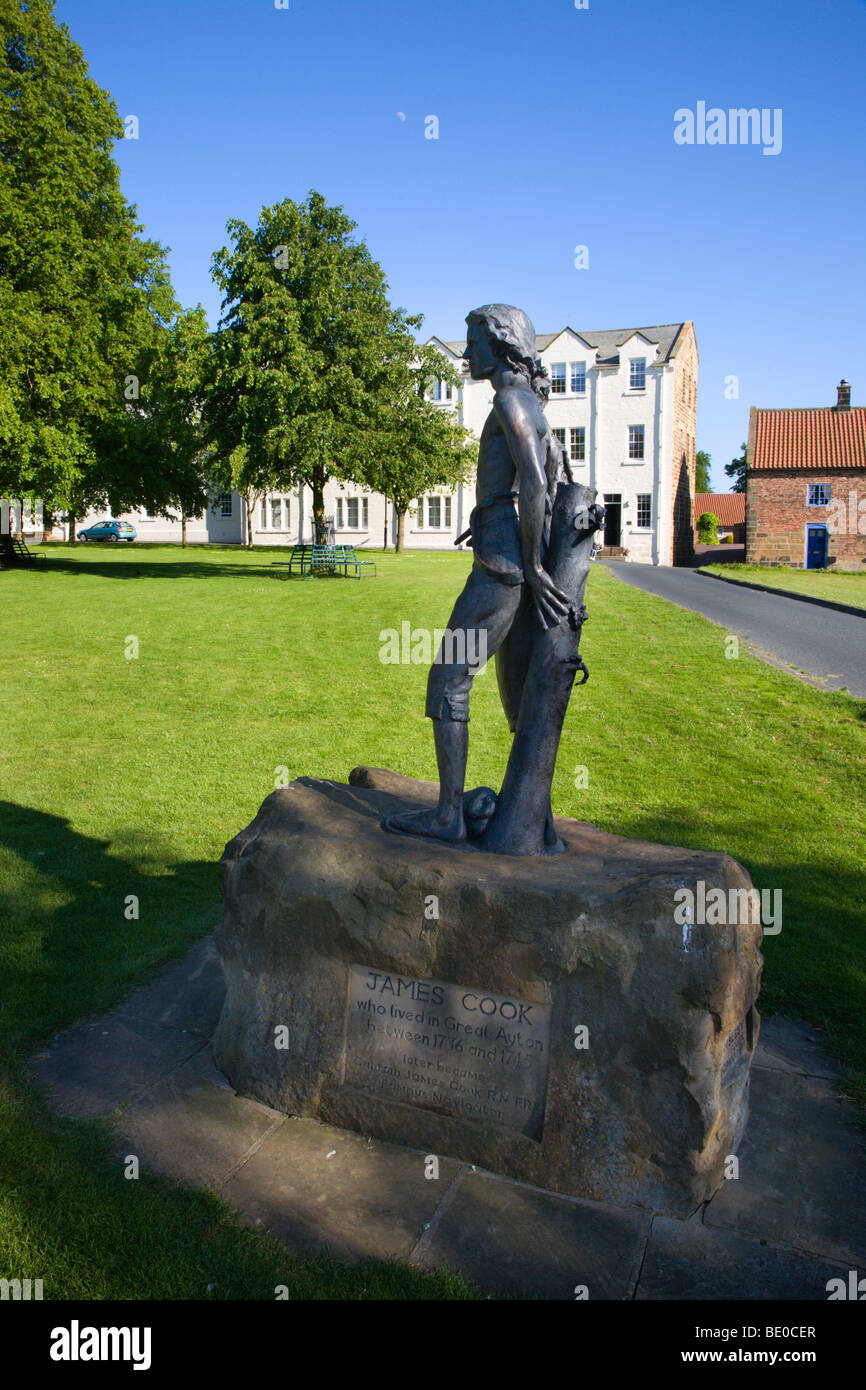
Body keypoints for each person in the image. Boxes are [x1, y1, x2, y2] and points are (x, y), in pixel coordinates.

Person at [386, 304, 572, 844]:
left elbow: (535, 484)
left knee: (448, 678)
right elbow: (524, 487)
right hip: (505, 547)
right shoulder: (529, 402)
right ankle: (537, 820)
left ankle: (448, 816)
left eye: (474, 342)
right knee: (519, 699)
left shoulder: (511, 401)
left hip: (503, 565)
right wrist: (489, 516)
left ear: (503, 344)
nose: (467, 354)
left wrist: (531, 564)